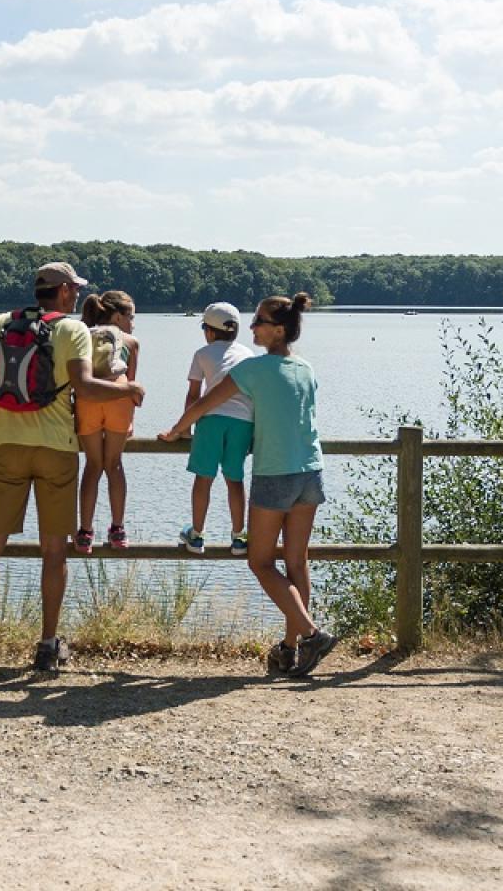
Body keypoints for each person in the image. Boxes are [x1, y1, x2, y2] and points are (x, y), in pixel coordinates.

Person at [0, 262, 143, 672]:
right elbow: (86, 386)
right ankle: (48, 646)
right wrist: (130, 389)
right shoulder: (71, 331)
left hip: (4, 445)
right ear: (66, 291)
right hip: (55, 448)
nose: (75, 295)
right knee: (55, 552)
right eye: (73, 289)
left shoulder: (2, 323)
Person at [159, 293, 337, 678]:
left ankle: (310, 634)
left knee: (259, 562)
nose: (252, 326)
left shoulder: (253, 370)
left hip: (276, 474)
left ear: (278, 329)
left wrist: (176, 431)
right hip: (311, 471)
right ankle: (291, 649)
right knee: (296, 563)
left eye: (258, 321)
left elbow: (204, 404)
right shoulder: (306, 368)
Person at [175, 302, 255, 556]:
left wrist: (184, 428)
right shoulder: (249, 355)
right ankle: (238, 537)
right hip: (243, 422)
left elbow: (193, 395)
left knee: (203, 478)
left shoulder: (202, 354)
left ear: (209, 331)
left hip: (211, 420)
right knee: (235, 479)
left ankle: (197, 535)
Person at [75, 289, 140, 553]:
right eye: (130, 317)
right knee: (113, 465)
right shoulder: (131, 342)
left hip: (87, 399)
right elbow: (132, 385)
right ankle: (117, 529)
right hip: (119, 400)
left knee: (92, 465)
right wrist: (131, 421)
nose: (133, 323)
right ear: (116, 316)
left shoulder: (82, 336)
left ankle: (85, 532)